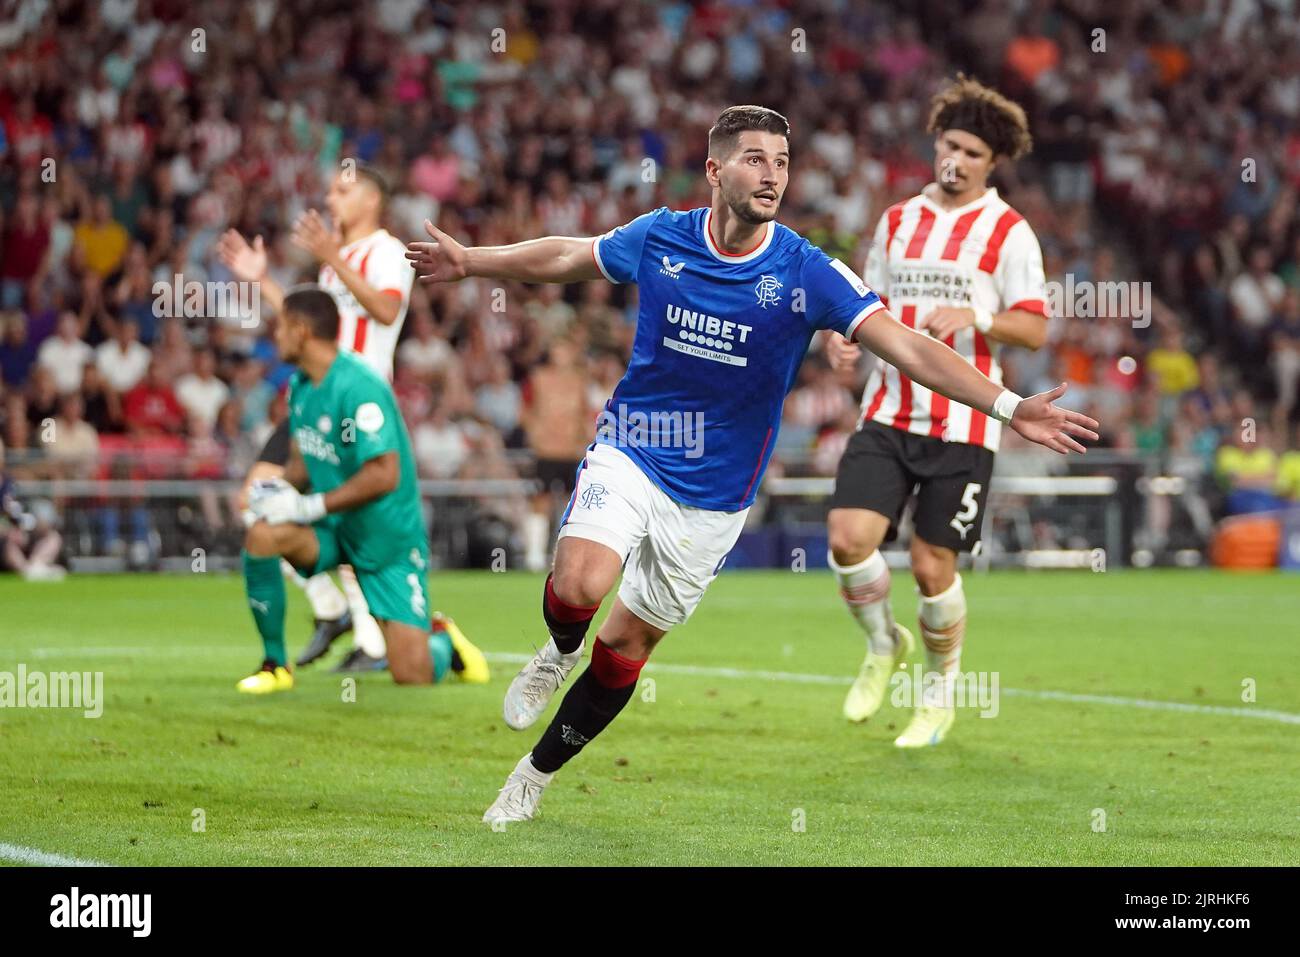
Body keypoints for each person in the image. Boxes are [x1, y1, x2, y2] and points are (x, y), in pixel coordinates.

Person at [406, 104, 1098, 824]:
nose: (773, 173)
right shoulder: (663, 235)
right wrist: (470, 261)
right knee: (581, 582)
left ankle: (532, 775)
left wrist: (1011, 406)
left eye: (783, 161)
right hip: (636, 446)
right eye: (756, 159)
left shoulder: (805, 270)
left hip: (714, 497)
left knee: (625, 649)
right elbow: (568, 255)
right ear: (715, 170)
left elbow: (911, 348)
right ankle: (557, 647)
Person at [823, 75, 1054, 748]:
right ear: (936, 144)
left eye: (973, 153)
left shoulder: (1009, 232)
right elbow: (864, 306)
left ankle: (939, 692)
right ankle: (880, 642)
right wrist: (843, 341)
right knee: (846, 538)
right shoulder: (896, 220)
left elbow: (1035, 328)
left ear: (992, 163)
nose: (957, 159)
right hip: (889, 410)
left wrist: (980, 315)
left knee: (931, 567)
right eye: (950, 144)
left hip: (967, 424)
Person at [237, 287, 487, 692]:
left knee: (413, 675)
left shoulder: (359, 388)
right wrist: (277, 490)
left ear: (301, 331)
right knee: (262, 534)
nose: (275, 336)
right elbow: (303, 461)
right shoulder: (301, 387)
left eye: (281, 327)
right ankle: (274, 665)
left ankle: (443, 640)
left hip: (384, 538)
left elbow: (384, 474)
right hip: (335, 529)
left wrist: (309, 506)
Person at [219, 165, 416, 671]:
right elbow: (303, 325)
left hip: (359, 411)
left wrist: (330, 256)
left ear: (372, 199)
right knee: (256, 502)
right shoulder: (336, 265)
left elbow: (387, 311)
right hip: (315, 402)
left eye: (342, 190)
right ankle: (335, 612)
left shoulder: (388, 252)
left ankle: (377, 639)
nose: (330, 198)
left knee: (350, 526)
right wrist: (262, 279)